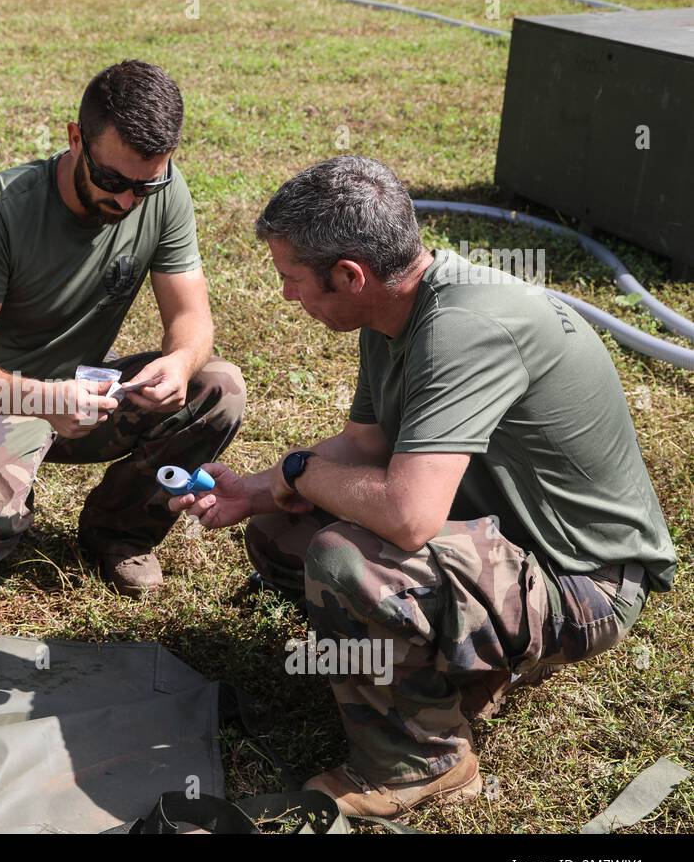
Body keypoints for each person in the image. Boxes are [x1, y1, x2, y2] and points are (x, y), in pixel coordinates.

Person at [173, 155, 676, 817]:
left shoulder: (461, 328)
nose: (288, 296)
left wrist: (301, 473)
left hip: (586, 584)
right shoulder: (398, 310)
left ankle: (422, 762)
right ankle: (451, 666)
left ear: (350, 276)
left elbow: (409, 517)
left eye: (292, 279)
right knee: (281, 531)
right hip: (512, 539)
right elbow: (363, 445)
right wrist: (258, 492)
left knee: (341, 557)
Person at [0, 60, 245, 595]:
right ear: (74, 139)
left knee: (218, 388)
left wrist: (180, 363)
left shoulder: (165, 193)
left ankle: (119, 531)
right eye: (111, 180)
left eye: (146, 185)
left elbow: (191, 316)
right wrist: (44, 401)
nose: (128, 200)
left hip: (90, 400)